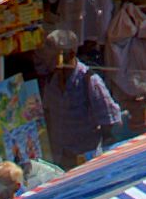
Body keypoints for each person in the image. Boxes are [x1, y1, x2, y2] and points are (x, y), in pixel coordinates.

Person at [36, 32, 121, 169]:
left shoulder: (90, 81)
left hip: (86, 160)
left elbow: (110, 121)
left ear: (70, 54)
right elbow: (48, 113)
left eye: (54, 57)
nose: (48, 61)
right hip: (60, 159)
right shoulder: (52, 79)